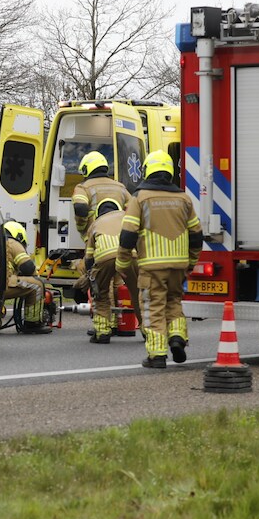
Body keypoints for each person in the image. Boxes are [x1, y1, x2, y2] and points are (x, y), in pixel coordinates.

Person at [117, 151, 202, 368]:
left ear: (147, 171)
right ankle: (177, 338)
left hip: (152, 266)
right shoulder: (184, 199)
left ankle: (157, 355)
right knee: (174, 302)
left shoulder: (140, 198)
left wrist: (122, 263)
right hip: (179, 265)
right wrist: (191, 262)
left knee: (153, 307)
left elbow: (128, 234)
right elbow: (196, 234)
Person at [83, 198, 138, 344]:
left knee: (101, 295)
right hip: (129, 254)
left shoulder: (95, 224)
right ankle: (148, 331)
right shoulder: (126, 217)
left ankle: (102, 332)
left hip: (104, 257)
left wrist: (92, 277)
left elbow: (88, 257)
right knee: (137, 294)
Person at [2, 220, 51, 334]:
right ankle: (32, 324)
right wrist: (37, 279)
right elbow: (28, 267)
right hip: (3, 284)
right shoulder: (12, 242)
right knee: (36, 285)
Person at [71, 150, 131, 244]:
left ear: (86, 169)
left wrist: (81, 228)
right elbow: (134, 211)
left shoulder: (83, 187)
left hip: (96, 240)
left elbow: (80, 207)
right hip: (120, 240)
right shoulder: (121, 187)